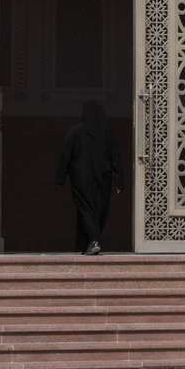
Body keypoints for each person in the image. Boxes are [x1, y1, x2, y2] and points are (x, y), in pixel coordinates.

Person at [55, 100, 123, 255]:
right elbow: (116, 158)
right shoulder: (107, 132)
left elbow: (66, 155)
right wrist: (119, 180)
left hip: (81, 179)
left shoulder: (75, 131)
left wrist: (60, 178)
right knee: (98, 211)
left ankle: (93, 241)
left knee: (86, 210)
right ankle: (86, 243)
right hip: (103, 178)